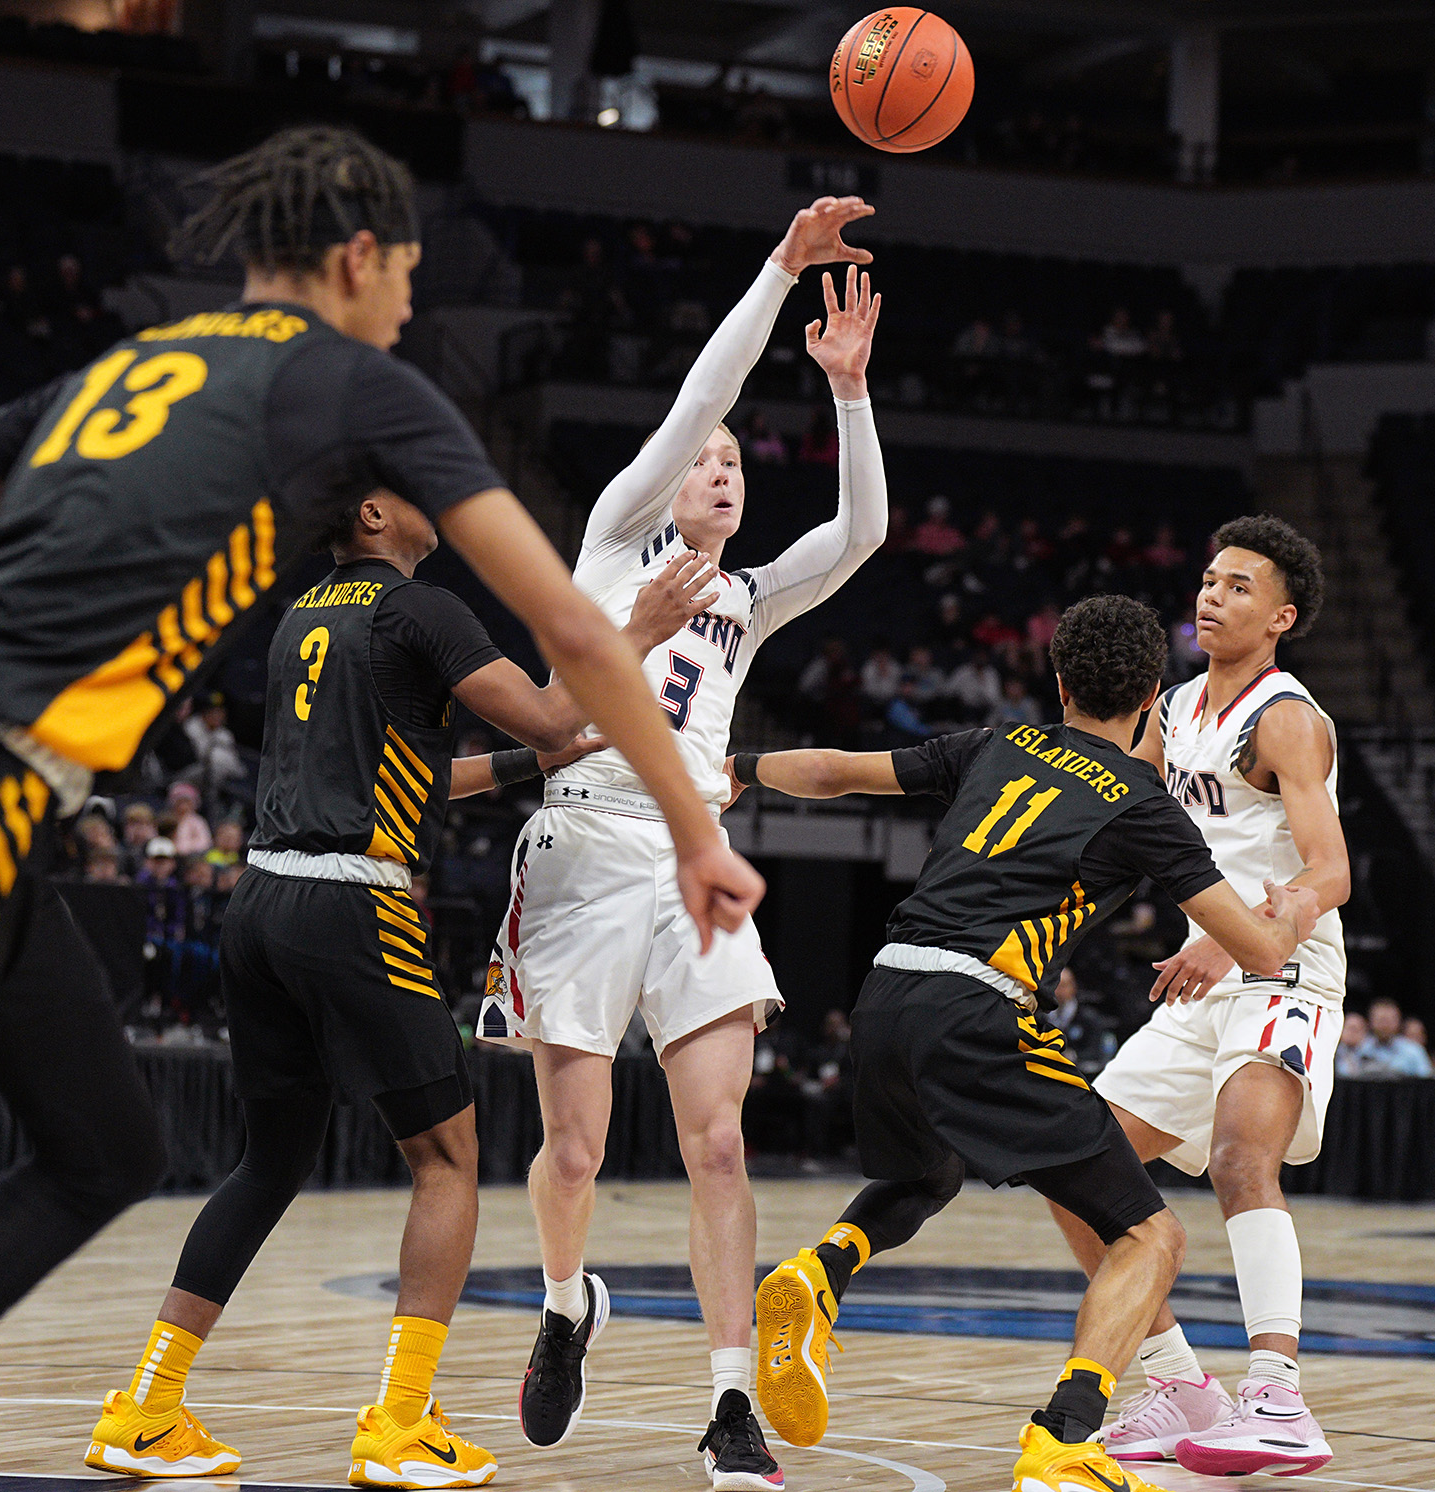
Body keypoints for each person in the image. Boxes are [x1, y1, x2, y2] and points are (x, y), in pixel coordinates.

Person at [0, 125, 761, 1492]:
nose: (411, 303)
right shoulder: (361, 391)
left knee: (109, 1148)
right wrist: (698, 829)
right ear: (357, 258)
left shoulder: (134, 367)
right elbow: (572, 648)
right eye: (407, 272)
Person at [85, 483, 712, 1485]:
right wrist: (638, 627)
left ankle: (146, 1407)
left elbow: (415, 767)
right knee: (446, 1158)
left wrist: (529, 762)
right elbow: (554, 710)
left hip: (260, 903)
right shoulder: (420, 606)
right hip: (352, 901)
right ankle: (399, 1420)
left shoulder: (306, 615)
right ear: (373, 514)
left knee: (269, 1160)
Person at [730, 595, 1319, 1492]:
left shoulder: (994, 743)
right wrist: (1293, 900)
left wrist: (742, 764)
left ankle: (819, 1271)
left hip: (886, 991)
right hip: (979, 1004)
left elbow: (837, 771)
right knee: (1150, 1235)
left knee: (927, 1174)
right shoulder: (1143, 804)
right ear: (1155, 695)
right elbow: (1266, 954)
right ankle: (1065, 1438)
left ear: (1057, 682)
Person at [477, 200, 883, 1489]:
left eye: (735, 464)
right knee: (577, 1148)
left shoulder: (748, 601)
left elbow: (860, 535)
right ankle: (561, 1302)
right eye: (704, 458)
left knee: (719, 1142)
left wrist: (848, 393)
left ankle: (724, 1403)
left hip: (690, 858)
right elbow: (702, 389)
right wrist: (776, 273)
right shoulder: (608, 541)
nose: (719, 469)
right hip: (582, 850)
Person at [1046, 516, 1349, 1480]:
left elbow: (1332, 870)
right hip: (1204, 967)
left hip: (1284, 965)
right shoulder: (1169, 712)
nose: (1212, 595)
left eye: (1239, 586)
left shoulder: (1286, 719)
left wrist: (1235, 937)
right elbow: (1122, 826)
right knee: (1076, 1163)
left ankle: (1279, 1399)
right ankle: (1179, 1382)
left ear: (1282, 617)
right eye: (1209, 580)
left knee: (1237, 1159)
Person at [1347, 997, 1431, 1078]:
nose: (1384, 1026)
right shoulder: (1359, 1049)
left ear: (1399, 1021)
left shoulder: (1414, 1051)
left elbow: (1426, 1082)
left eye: (1389, 1020)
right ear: (1370, 1021)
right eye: (1380, 1020)